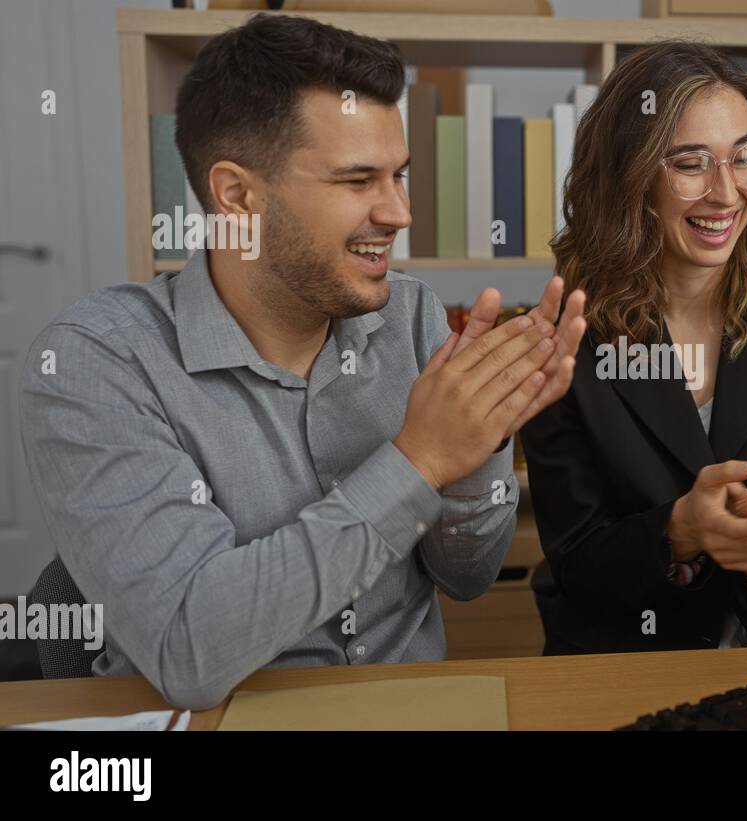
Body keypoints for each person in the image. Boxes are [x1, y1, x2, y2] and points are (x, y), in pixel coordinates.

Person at [19, 14, 585, 709]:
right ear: (237, 195)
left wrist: (484, 434)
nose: (401, 212)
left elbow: (466, 576)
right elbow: (190, 650)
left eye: (400, 175)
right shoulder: (96, 361)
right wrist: (418, 460)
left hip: (406, 714)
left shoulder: (411, 318)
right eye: (358, 180)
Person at [520, 40, 747, 654]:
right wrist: (679, 533)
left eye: (744, 158)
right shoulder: (567, 337)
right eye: (690, 163)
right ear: (630, 177)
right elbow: (576, 562)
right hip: (627, 663)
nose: (726, 193)